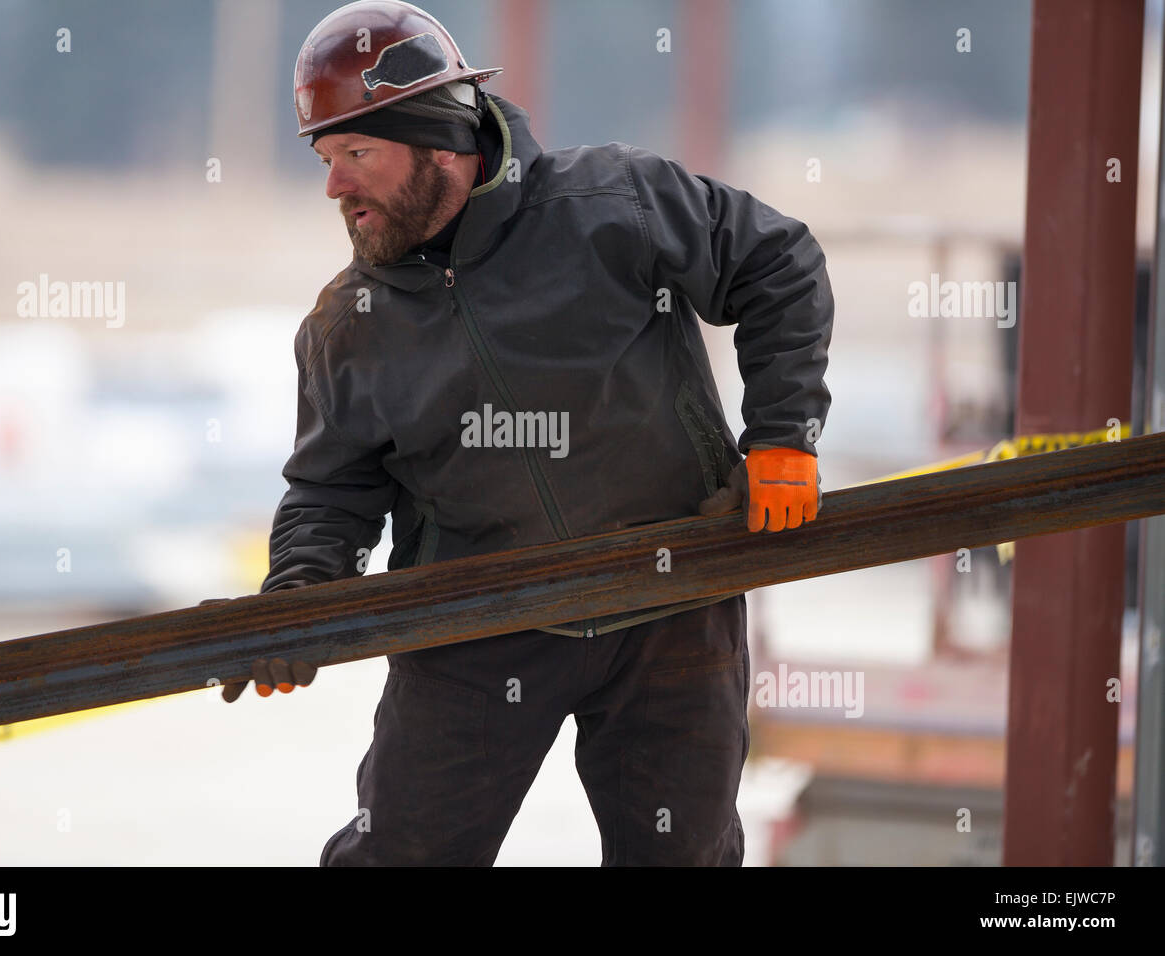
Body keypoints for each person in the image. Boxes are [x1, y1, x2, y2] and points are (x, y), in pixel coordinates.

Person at [227, 0, 833, 866]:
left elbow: (779, 264)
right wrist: (299, 596)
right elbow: (332, 490)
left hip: (669, 598)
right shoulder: (349, 324)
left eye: (358, 153)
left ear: (441, 140)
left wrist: (784, 435)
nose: (336, 185)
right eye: (327, 159)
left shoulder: (613, 204)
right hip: (473, 621)